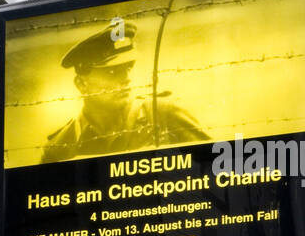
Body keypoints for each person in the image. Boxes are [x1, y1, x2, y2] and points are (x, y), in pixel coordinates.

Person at [40, 19, 208, 164]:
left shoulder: (162, 113)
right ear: (81, 83)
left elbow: (217, 171)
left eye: (128, 68)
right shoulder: (60, 147)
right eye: (112, 72)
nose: (126, 79)